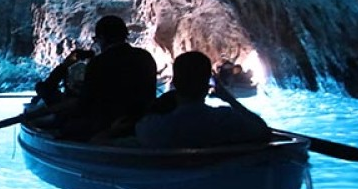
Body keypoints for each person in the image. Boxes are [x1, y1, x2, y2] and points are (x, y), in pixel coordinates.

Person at [135, 51, 271, 148]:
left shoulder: (156, 128)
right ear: (207, 85)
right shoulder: (225, 119)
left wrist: (159, 104)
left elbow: (139, 128)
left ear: (174, 82)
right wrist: (229, 99)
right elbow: (263, 130)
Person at [59, 15, 158, 142]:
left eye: (96, 39)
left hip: (106, 126)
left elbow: (85, 104)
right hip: (141, 123)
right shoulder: (145, 56)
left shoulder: (99, 63)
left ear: (102, 38)